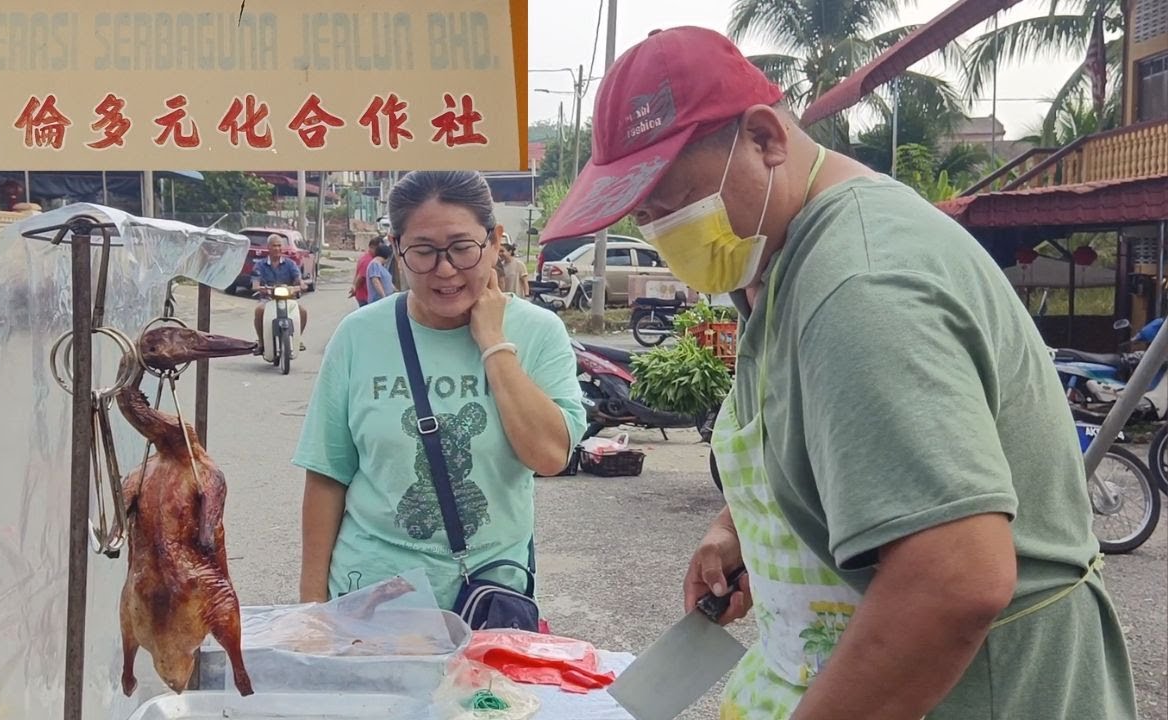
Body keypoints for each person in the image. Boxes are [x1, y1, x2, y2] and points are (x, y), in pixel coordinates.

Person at [540, 26, 1136, 720]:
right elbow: (842, 439)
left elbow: (951, 580)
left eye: (674, 204)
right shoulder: (775, 254)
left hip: (982, 691)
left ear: (765, 138)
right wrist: (742, 528)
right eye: (645, 218)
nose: (664, 234)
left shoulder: (860, 284)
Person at [293, 170, 586, 609]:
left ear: (493, 240)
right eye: (424, 251)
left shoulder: (538, 332)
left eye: (463, 248)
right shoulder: (359, 335)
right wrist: (311, 606)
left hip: (487, 600)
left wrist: (494, 343)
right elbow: (328, 475)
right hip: (368, 601)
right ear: (397, 248)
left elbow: (548, 456)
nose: (445, 270)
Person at [252, 234, 308, 352]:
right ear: (268, 247)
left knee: (302, 312)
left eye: (279, 245)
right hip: (268, 299)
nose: (277, 248)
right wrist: (261, 288)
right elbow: (255, 284)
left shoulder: (290, 264)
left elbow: (298, 278)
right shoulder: (260, 265)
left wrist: (300, 285)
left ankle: (297, 339)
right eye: (274, 246)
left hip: (288, 299)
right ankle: (261, 343)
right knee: (259, 311)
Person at [349, 237, 382, 307]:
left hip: (363, 294)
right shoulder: (368, 261)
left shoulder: (366, 257)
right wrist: (355, 288)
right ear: (372, 247)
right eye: (378, 249)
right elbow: (361, 277)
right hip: (365, 296)